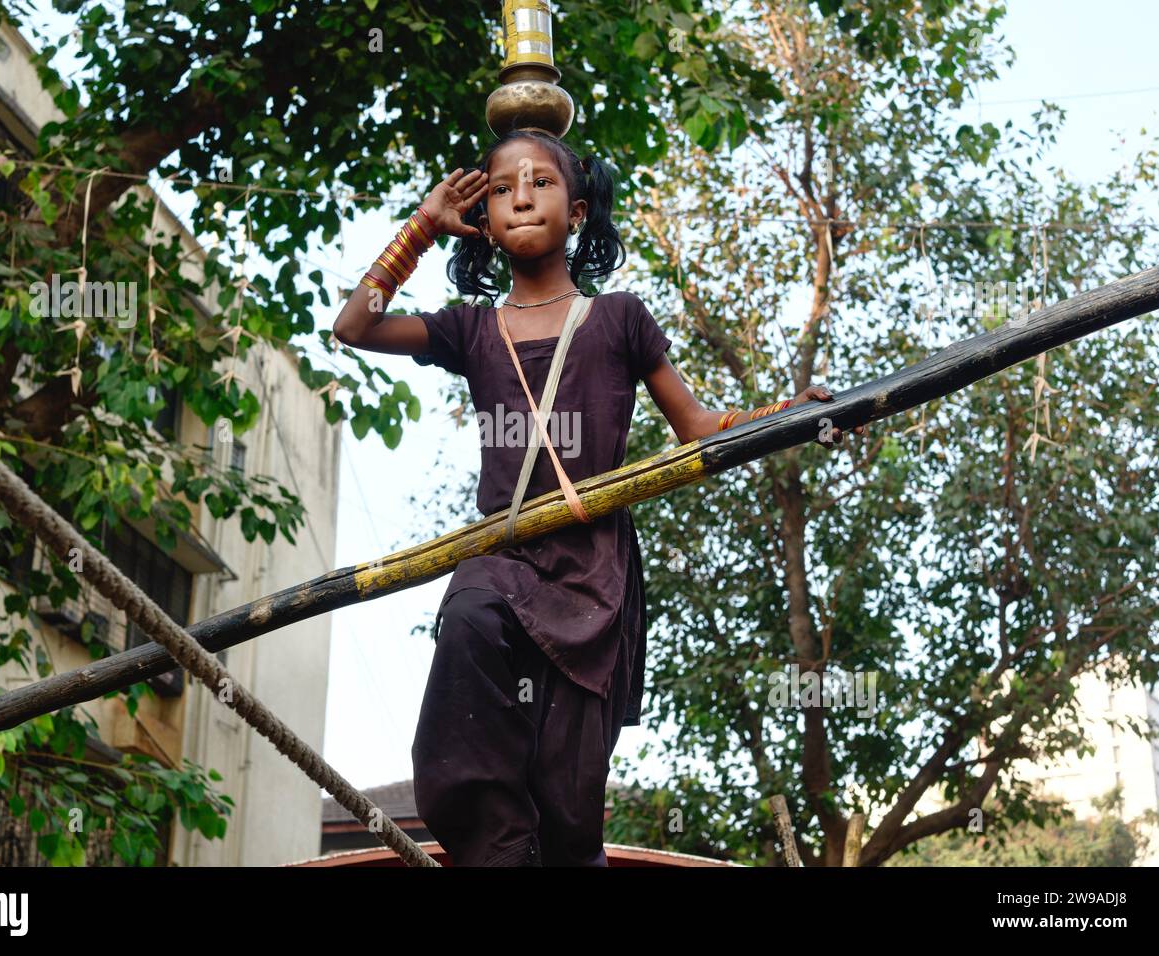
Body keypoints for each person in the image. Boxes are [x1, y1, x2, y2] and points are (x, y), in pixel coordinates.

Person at [332, 130, 864, 866]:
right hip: (503, 555)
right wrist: (420, 227)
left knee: (567, 793)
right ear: (481, 216)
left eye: (540, 183)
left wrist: (788, 415)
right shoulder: (470, 328)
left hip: (594, 579)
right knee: (469, 621)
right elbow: (353, 325)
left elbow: (699, 430)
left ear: (578, 210)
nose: (519, 195)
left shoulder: (619, 320)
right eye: (499, 188)